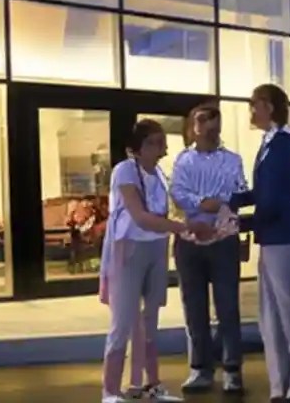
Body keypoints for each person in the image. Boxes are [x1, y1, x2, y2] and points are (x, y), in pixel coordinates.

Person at [99, 119, 211, 403]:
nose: (160, 146)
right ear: (138, 147)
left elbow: (163, 214)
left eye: (161, 141)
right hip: (129, 247)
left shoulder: (160, 174)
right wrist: (182, 227)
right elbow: (140, 217)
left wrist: (189, 224)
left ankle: (149, 384)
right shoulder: (125, 170)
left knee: (150, 320)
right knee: (123, 320)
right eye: (152, 141)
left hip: (156, 247)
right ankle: (110, 391)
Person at [229, 84, 290, 403]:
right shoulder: (269, 143)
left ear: (269, 106)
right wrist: (233, 200)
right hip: (271, 240)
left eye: (255, 104)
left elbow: (276, 198)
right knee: (270, 320)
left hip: (285, 239)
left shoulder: (283, 144)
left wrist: (242, 222)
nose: (251, 110)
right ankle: (280, 388)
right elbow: (262, 191)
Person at [169, 101, 249, 393]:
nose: (208, 130)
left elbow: (239, 191)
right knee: (194, 308)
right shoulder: (182, 161)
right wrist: (204, 203)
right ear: (193, 127)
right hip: (189, 241)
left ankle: (232, 370)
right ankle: (200, 369)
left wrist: (215, 204)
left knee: (228, 306)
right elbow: (177, 192)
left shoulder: (233, 160)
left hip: (224, 239)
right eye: (202, 124)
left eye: (213, 124)